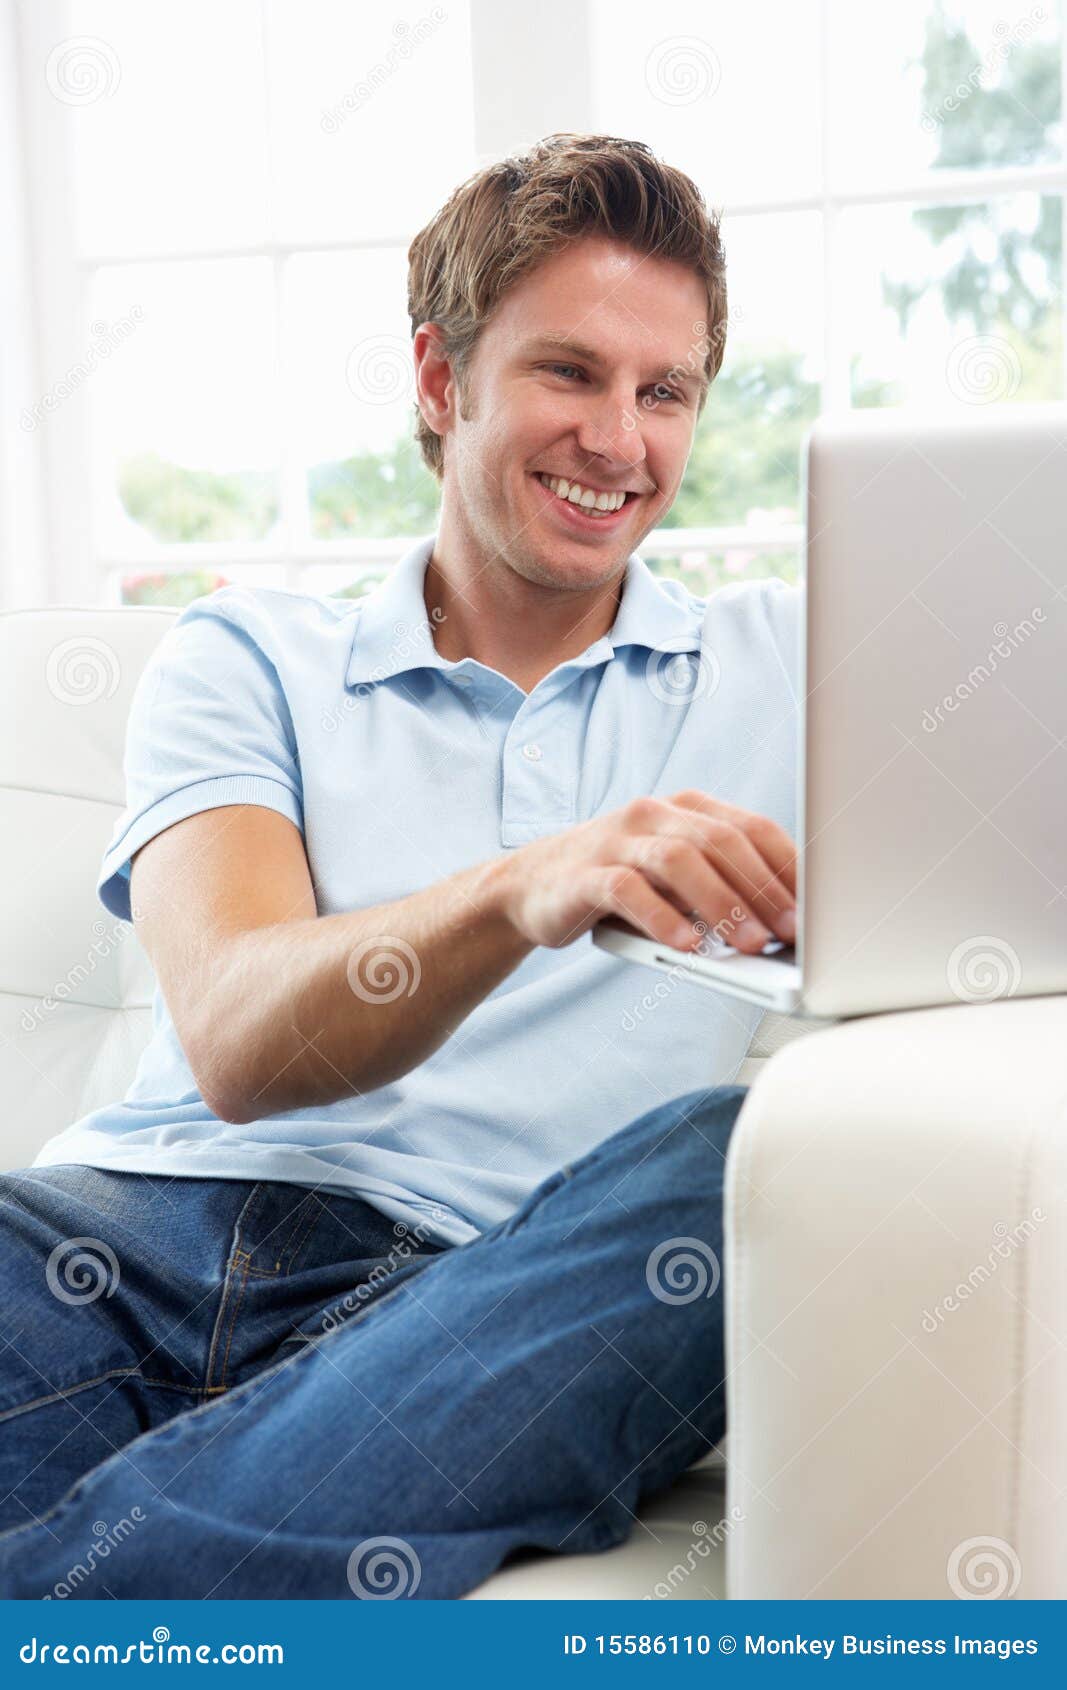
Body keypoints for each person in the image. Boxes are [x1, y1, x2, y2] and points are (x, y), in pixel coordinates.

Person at [0, 134, 800, 1599]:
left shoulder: (811, 670)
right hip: (113, 1246)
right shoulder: (244, 654)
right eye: (570, 373)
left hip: (478, 1303)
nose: (620, 440)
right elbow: (238, 1037)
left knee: (742, 1170)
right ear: (441, 381)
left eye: (665, 391)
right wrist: (525, 886)